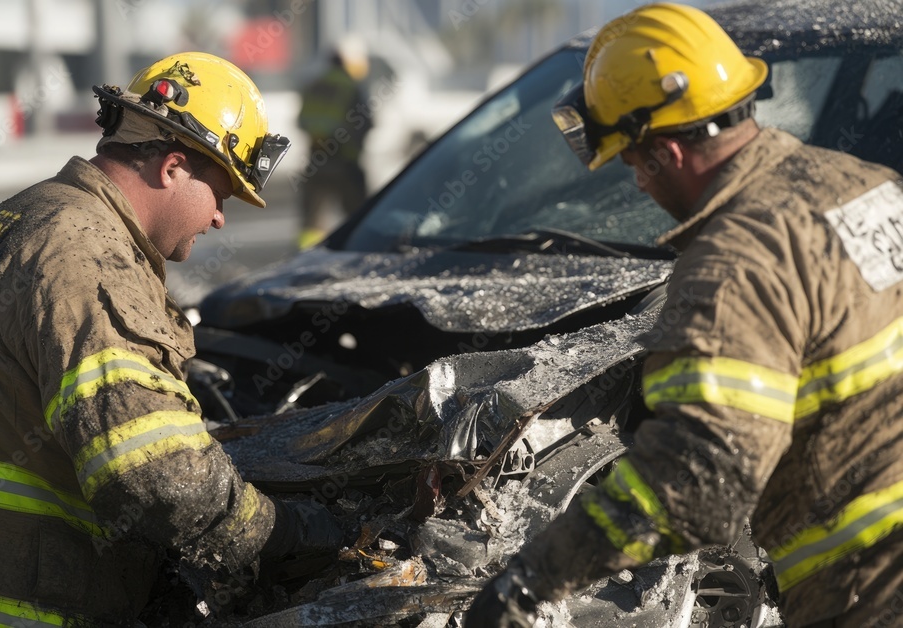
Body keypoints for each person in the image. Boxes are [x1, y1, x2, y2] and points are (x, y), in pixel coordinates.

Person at [467, 4, 903, 627]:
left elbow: (703, 480)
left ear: (666, 152)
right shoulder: (869, 186)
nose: (638, 184)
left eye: (631, 162)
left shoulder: (732, 266)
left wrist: (533, 580)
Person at [0, 52, 342, 627]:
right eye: (221, 193)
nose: (219, 219)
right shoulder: (88, 255)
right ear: (173, 167)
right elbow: (158, 476)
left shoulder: (25, 215)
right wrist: (283, 532)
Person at [296, 37, 372, 249]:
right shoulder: (350, 87)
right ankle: (357, 253)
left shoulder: (314, 85)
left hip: (316, 160)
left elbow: (302, 121)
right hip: (345, 161)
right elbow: (365, 124)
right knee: (359, 218)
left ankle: (307, 256)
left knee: (312, 223)